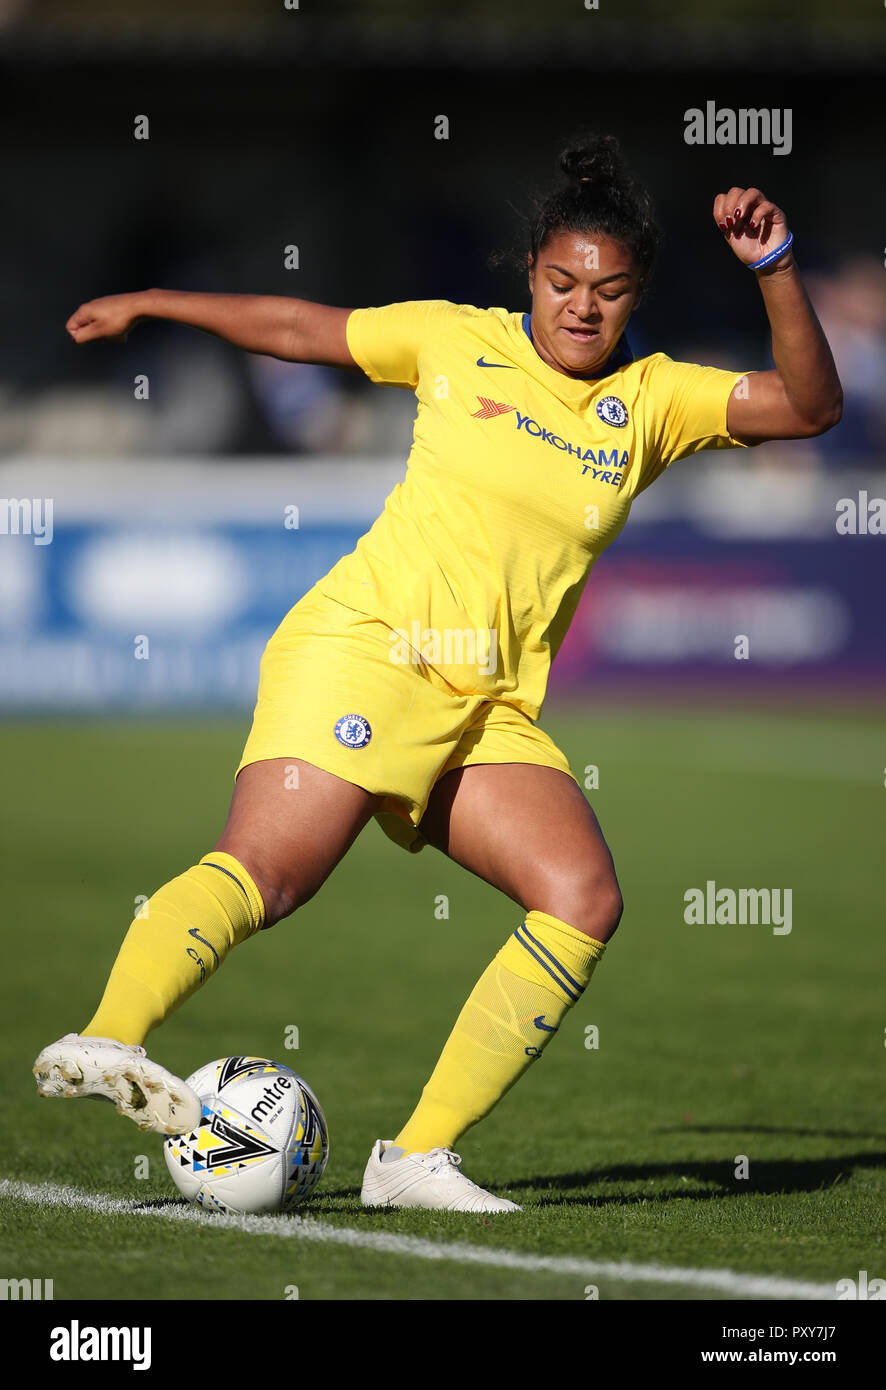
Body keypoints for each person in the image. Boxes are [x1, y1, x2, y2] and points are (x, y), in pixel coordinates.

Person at [33, 135, 842, 1213]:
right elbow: (297, 327)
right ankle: (106, 1037)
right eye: (561, 282)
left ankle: (412, 1157)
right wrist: (153, 302)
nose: (581, 307)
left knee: (580, 897)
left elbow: (808, 406)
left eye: (608, 290)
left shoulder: (654, 400)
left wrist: (775, 265)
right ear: (530, 276)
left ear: (635, 292)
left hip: (484, 705)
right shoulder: (454, 341)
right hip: (366, 646)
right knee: (273, 874)